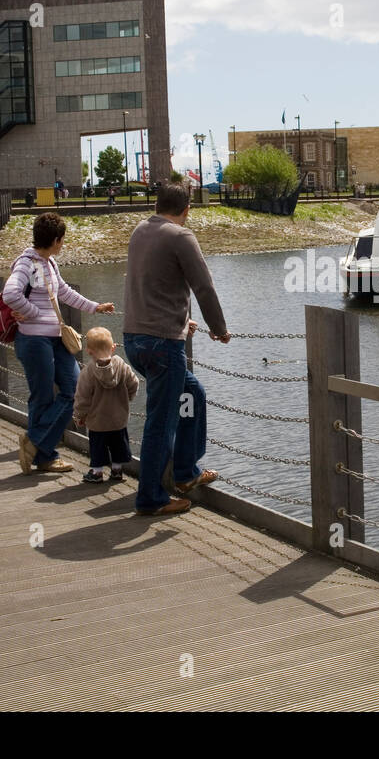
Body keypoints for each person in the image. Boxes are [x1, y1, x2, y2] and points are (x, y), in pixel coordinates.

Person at [123, 176, 230, 517]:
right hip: (162, 346)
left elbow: (155, 285)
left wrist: (183, 322)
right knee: (161, 421)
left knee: (191, 394)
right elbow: (204, 286)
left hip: (134, 340)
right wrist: (219, 329)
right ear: (186, 210)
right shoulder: (181, 235)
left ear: (156, 206)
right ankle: (150, 497)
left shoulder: (140, 231)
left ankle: (185, 472)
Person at [2, 213, 115, 475]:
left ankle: (35, 441)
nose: (62, 244)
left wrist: (94, 307)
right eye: (62, 240)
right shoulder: (27, 264)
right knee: (41, 397)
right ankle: (45, 456)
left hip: (55, 339)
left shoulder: (49, 263)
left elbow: (63, 292)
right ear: (55, 240)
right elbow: (10, 293)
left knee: (75, 390)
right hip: (33, 340)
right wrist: (32, 312)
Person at [73, 326, 140, 484]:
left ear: (89, 351)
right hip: (119, 418)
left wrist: (79, 415)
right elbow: (134, 383)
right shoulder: (121, 365)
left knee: (98, 446)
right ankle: (117, 470)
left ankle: (97, 473)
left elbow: (82, 397)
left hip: (97, 421)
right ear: (113, 347)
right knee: (119, 444)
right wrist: (128, 397)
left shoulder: (87, 372)